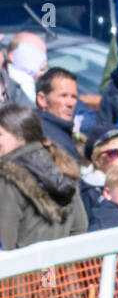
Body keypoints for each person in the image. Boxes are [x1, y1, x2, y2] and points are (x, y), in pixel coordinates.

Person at [0, 103, 87, 248]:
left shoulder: (6, 177)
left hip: (24, 268)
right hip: (61, 267)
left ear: (20, 136)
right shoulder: (61, 165)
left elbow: (6, 241)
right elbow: (80, 227)